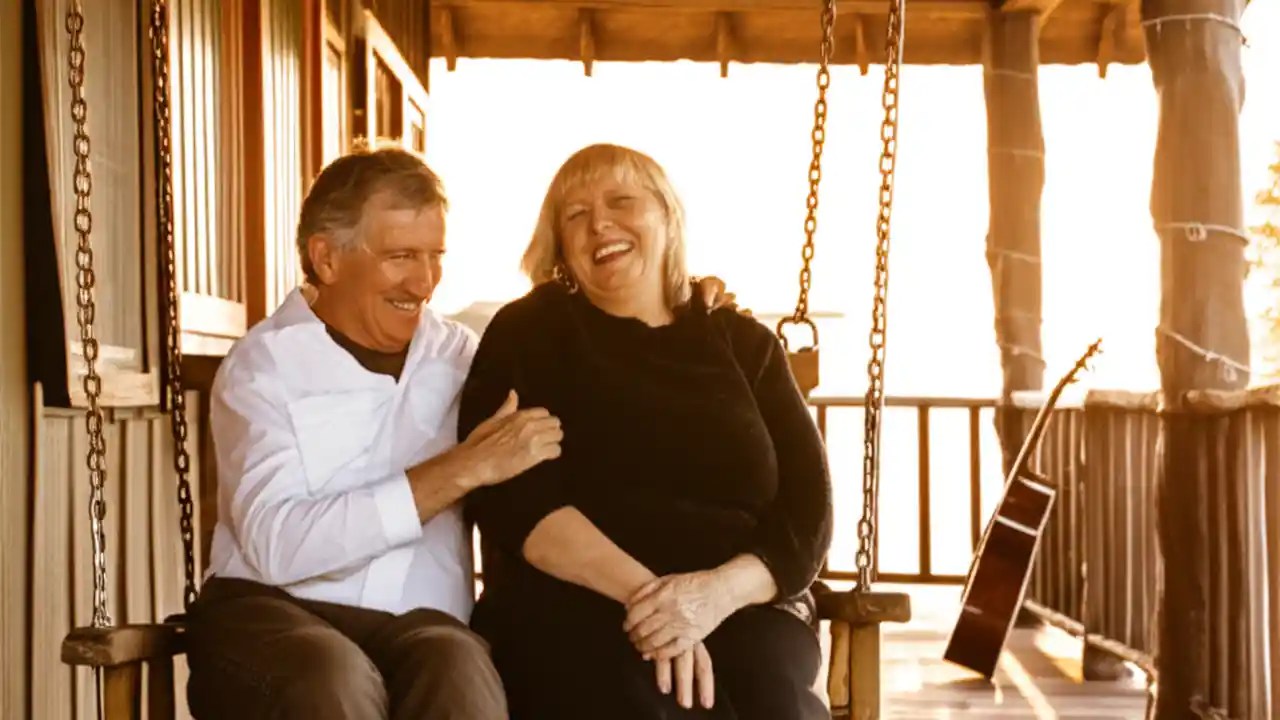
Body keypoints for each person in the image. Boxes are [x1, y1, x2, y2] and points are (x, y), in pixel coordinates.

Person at [184, 144, 736, 720]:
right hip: (275, 613)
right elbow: (278, 546)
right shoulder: (264, 367)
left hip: (420, 629)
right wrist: (462, 469)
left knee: (463, 672)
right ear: (326, 258)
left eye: (435, 256)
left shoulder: (462, 356)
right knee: (334, 681)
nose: (424, 282)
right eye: (401, 256)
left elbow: (602, 386)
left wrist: (679, 309)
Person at [458, 143, 834, 720]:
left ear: (667, 216)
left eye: (621, 201)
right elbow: (514, 499)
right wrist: (654, 601)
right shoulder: (529, 333)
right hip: (577, 601)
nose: (599, 224)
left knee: (773, 697)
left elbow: (809, 511)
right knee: (622, 697)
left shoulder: (744, 344)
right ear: (559, 244)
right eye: (575, 214)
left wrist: (713, 595)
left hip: (738, 603)